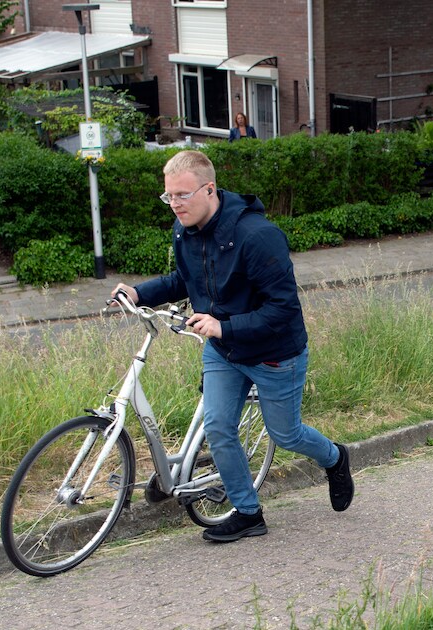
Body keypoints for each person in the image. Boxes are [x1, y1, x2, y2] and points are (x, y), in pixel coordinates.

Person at [111, 150, 353, 543]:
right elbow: (185, 280)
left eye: (182, 195)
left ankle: (335, 457)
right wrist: (139, 292)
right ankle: (247, 511)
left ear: (209, 189)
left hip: (274, 355)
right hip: (224, 351)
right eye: (169, 196)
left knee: (286, 434)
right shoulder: (184, 231)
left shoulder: (258, 236)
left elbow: (283, 309)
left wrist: (223, 326)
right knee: (220, 428)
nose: (174, 205)